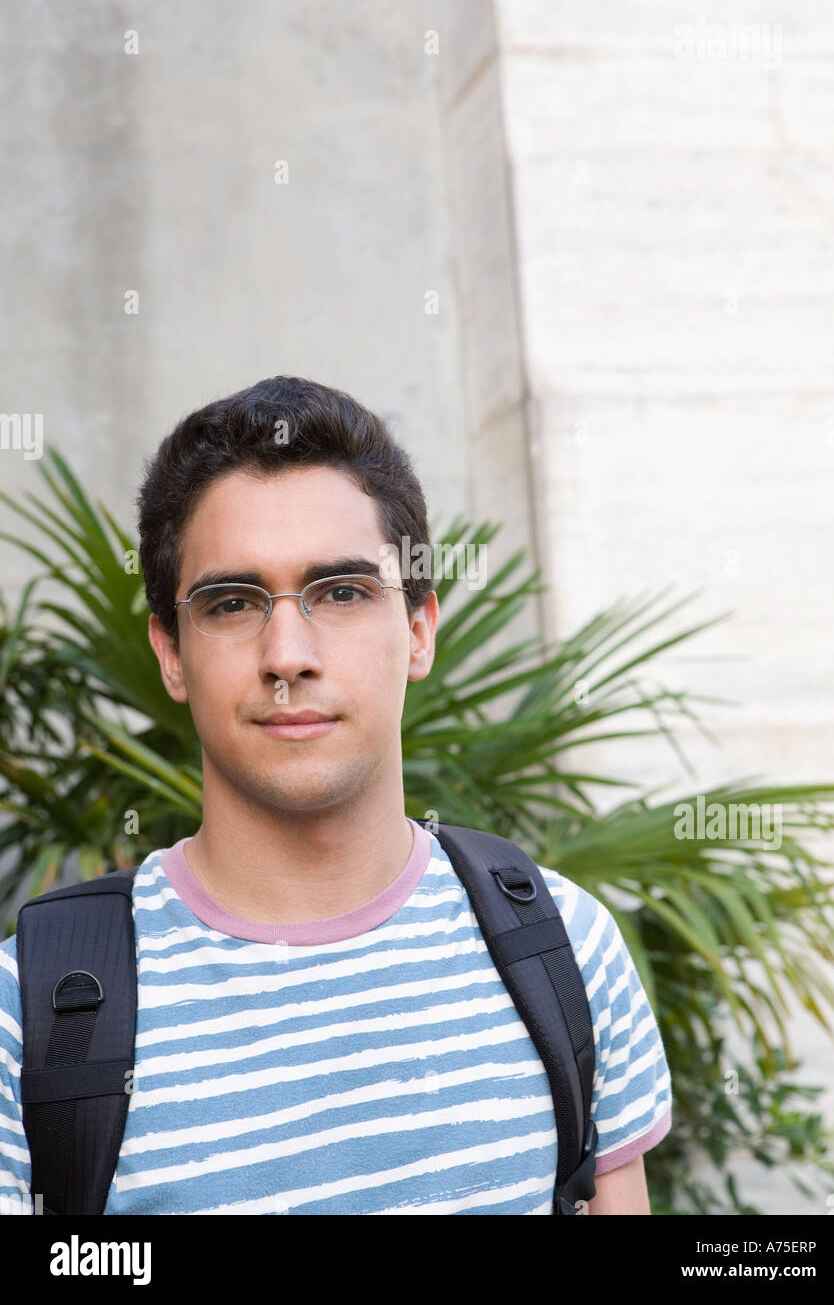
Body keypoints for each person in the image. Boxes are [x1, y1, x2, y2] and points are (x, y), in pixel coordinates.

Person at [0, 374, 672, 1215]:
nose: (288, 654)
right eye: (232, 602)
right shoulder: (32, 1009)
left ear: (420, 628)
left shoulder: (564, 946)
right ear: (171, 652)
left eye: (343, 592)